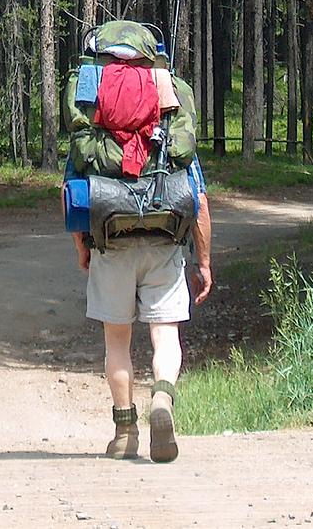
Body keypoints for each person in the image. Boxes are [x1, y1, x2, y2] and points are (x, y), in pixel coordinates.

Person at [71, 155, 212, 463]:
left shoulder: (97, 129)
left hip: (111, 245)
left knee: (117, 341)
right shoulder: (171, 125)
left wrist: (82, 249)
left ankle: (125, 435)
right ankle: (162, 396)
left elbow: (71, 194)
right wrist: (203, 262)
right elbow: (198, 198)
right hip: (165, 243)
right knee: (165, 335)